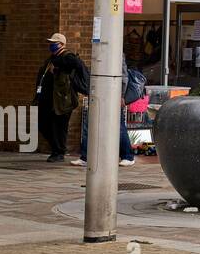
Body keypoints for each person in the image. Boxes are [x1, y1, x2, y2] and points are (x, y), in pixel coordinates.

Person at [73, 53, 136, 167]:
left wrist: (121, 95)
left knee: (118, 126)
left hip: (113, 95)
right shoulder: (99, 50)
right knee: (89, 124)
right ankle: (86, 157)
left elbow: (123, 77)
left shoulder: (115, 51)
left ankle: (128, 156)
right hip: (99, 94)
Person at [33, 33, 86, 162]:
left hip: (62, 101)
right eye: (50, 43)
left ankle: (59, 152)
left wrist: (58, 65)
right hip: (48, 99)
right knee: (43, 124)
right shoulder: (51, 59)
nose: (51, 45)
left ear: (62, 44)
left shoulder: (67, 57)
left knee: (59, 127)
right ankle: (56, 149)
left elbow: (77, 65)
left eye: (54, 43)